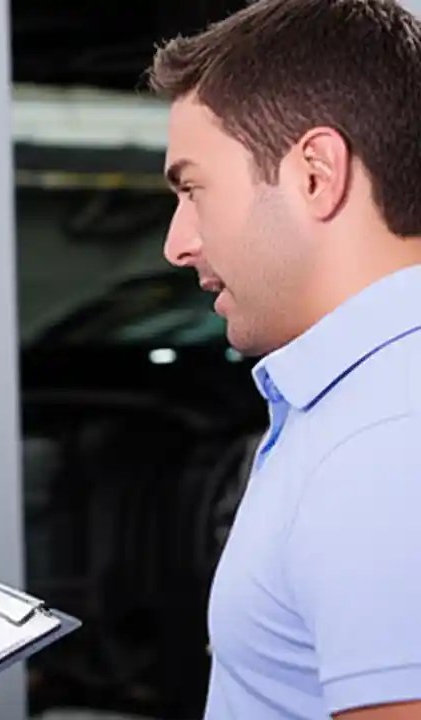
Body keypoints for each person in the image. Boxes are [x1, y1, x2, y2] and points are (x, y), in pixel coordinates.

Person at [148, 0, 421, 717]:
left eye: (192, 189)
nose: (177, 244)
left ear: (315, 175)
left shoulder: (384, 441)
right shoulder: (358, 409)